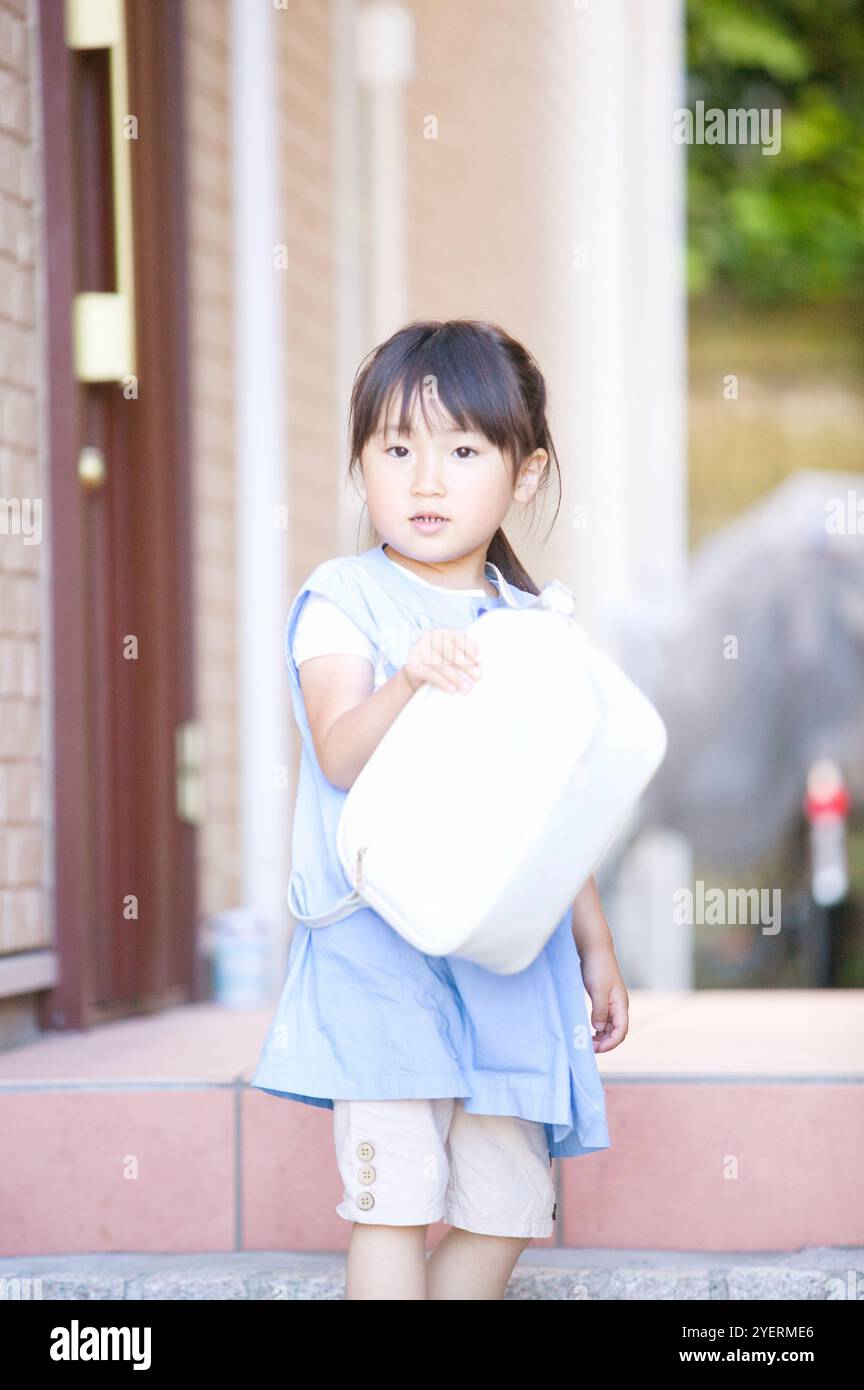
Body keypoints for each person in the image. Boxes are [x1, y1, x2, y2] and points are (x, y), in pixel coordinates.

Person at [251, 318, 629, 1300]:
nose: (427, 480)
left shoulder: (531, 625)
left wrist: (594, 943)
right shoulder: (344, 598)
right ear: (361, 462)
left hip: (508, 961)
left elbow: (554, 806)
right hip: (382, 957)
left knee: (506, 1205)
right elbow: (337, 751)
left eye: (463, 450)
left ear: (526, 472)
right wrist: (407, 679)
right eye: (397, 448)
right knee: (392, 1197)